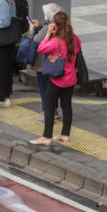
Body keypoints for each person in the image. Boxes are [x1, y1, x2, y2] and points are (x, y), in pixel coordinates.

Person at [31, 11, 82, 145]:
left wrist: (48, 33)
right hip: (71, 78)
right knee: (66, 106)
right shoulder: (75, 38)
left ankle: (46, 137)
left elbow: (41, 48)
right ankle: (65, 134)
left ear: (56, 25)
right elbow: (77, 51)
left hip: (58, 80)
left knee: (49, 106)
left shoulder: (56, 41)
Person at [28, 3, 64, 122]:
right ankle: (55, 110)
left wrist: (32, 29)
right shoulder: (61, 27)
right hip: (54, 64)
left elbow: (36, 41)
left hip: (43, 64)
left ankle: (47, 112)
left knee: (45, 89)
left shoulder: (48, 28)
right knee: (52, 89)